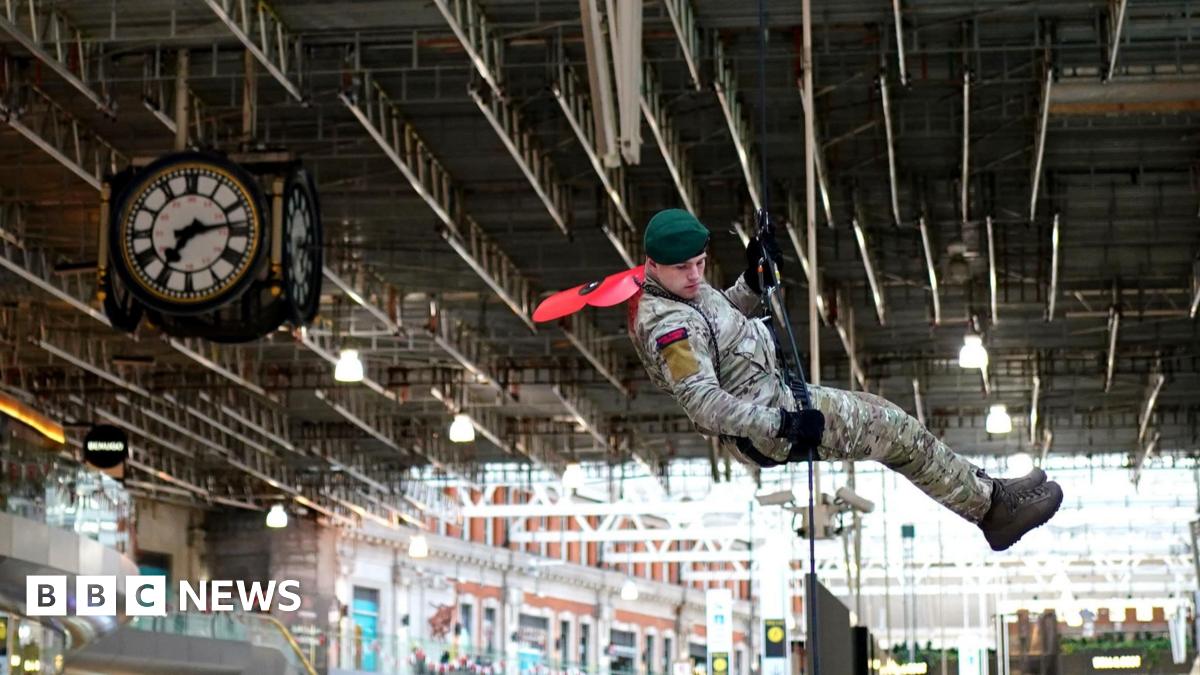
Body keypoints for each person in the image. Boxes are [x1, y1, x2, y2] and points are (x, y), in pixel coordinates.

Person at [628, 209, 1063, 551]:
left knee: (892, 420)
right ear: (652, 265)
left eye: (701, 264)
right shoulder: (669, 328)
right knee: (895, 433)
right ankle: (991, 511)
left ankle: (988, 492)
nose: (695, 275)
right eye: (683, 268)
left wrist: (752, 282)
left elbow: (720, 321)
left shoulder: (685, 289)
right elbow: (704, 404)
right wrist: (782, 425)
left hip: (782, 399)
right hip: (771, 428)